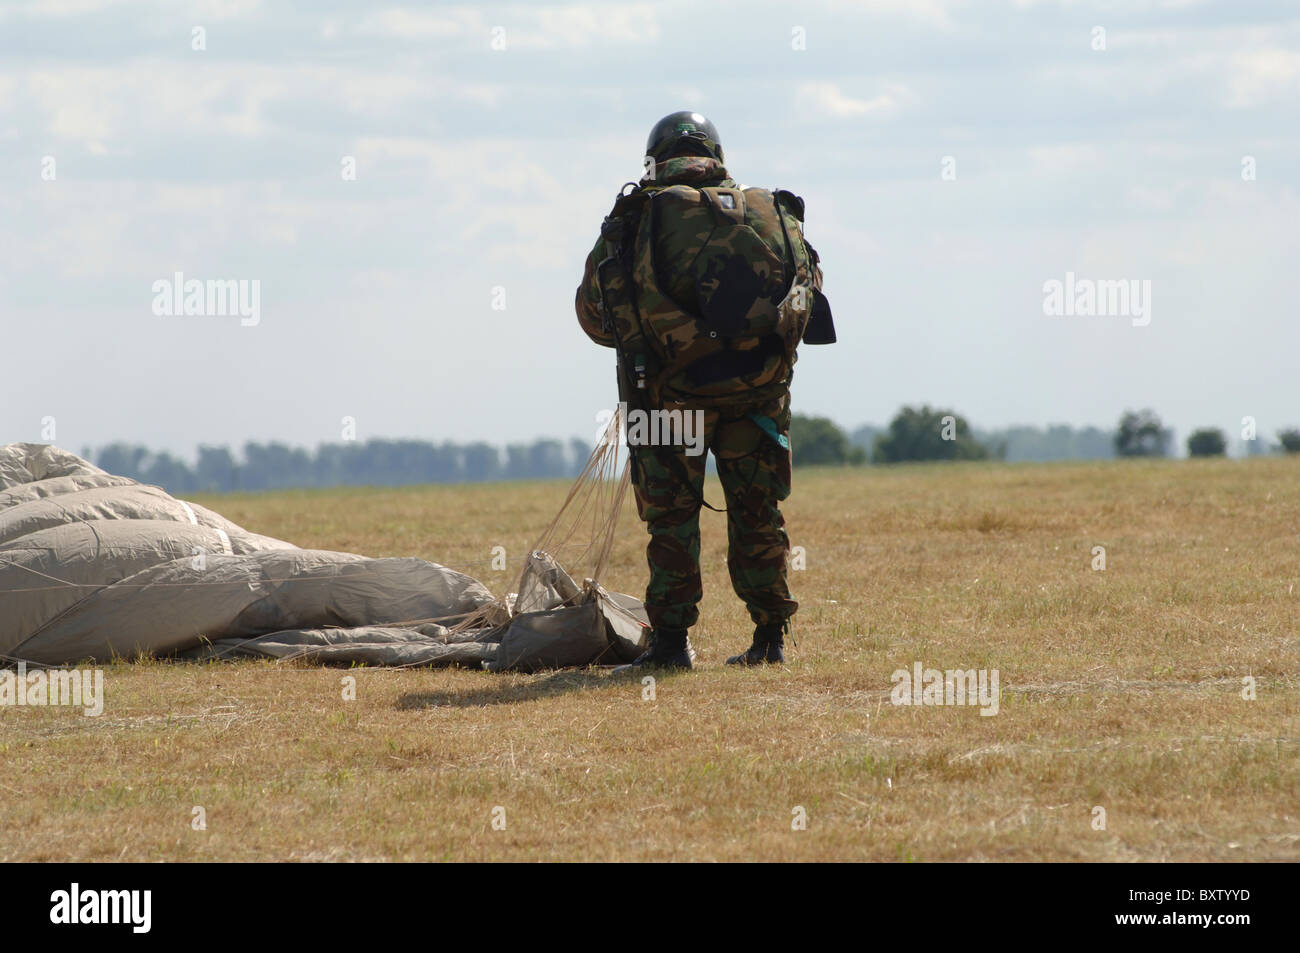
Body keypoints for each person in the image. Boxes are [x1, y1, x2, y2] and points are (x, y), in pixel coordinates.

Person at [575, 111, 834, 670]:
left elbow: (597, 318)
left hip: (666, 400)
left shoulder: (638, 215)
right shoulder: (770, 213)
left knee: (672, 520)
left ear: (656, 159)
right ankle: (771, 639)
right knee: (758, 512)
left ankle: (671, 647)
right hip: (758, 398)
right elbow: (806, 298)